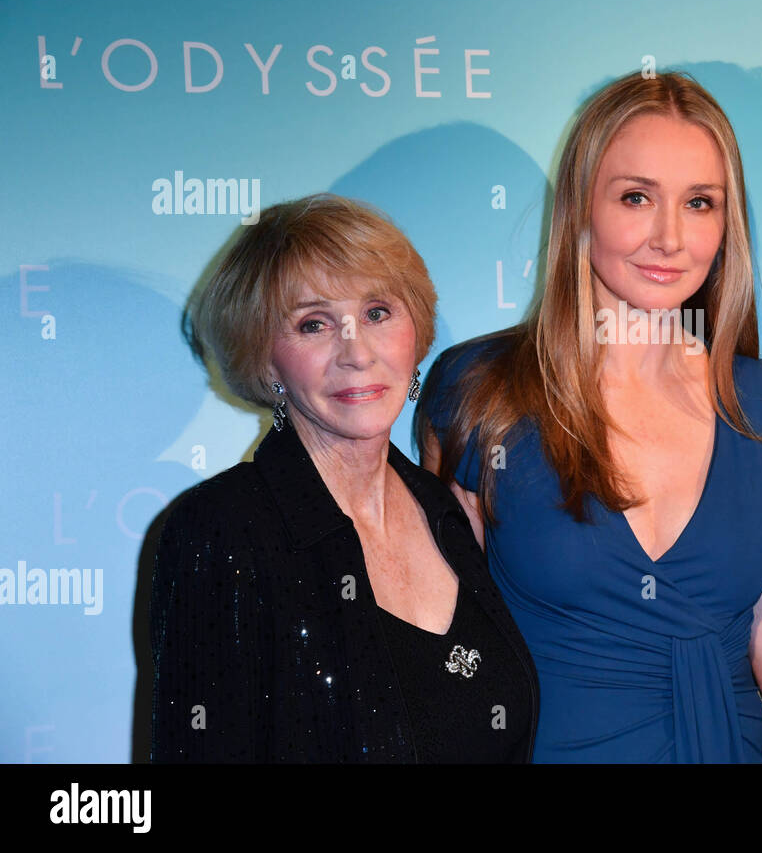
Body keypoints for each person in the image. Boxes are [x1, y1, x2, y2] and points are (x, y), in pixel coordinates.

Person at [419, 71, 762, 763]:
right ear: (581, 208)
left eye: (700, 203)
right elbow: (443, 649)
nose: (670, 237)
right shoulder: (481, 392)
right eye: (637, 197)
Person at [151, 193, 538, 762]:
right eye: (314, 324)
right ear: (264, 359)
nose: (356, 352)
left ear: (416, 328)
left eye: (378, 312)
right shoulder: (220, 532)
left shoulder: (442, 508)